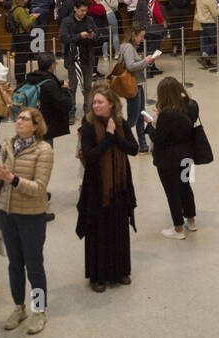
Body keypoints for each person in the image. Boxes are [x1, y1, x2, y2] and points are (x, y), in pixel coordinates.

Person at [0, 107, 52, 333]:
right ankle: (19, 307)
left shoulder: (44, 151)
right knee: (14, 264)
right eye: (18, 118)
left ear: (36, 126)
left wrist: (13, 179)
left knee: (34, 265)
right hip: (7, 213)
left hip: (31, 216)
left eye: (25, 119)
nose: (19, 121)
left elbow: (39, 188)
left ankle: (39, 310)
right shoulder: (8, 145)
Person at [77, 86, 137, 291]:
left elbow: (134, 149)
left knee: (119, 228)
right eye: (94, 103)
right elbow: (90, 156)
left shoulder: (121, 123)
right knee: (98, 231)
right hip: (97, 187)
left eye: (100, 102)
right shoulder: (88, 127)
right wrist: (108, 138)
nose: (96, 106)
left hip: (119, 185)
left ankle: (120, 271)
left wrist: (115, 136)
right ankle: (98, 276)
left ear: (111, 104)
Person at [143, 77, 199, 236]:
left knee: (172, 192)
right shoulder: (192, 106)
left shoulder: (167, 114)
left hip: (169, 161)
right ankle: (191, 221)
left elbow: (158, 138)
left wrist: (150, 123)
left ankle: (178, 228)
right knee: (186, 187)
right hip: (188, 156)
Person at [117, 24, 156, 153]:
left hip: (137, 84)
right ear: (134, 35)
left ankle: (142, 143)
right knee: (133, 118)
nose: (142, 39)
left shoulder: (128, 47)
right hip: (133, 85)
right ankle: (121, 141)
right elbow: (130, 66)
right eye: (141, 36)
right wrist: (145, 61)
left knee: (141, 114)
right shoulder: (128, 47)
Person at [22, 52, 71, 148]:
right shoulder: (50, 85)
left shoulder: (31, 79)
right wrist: (65, 90)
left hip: (31, 123)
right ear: (52, 65)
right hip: (45, 127)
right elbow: (65, 105)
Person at [60, 3, 98, 117]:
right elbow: (63, 38)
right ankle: (71, 110)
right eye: (81, 10)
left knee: (88, 86)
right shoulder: (67, 21)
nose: (84, 13)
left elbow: (98, 34)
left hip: (87, 56)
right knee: (72, 87)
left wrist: (93, 36)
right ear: (75, 9)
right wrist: (79, 36)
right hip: (72, 58)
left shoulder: (89, 19)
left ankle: (88, 109)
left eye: (85, 10)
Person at [195, 0, 219, 66]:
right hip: (210, 22)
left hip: (202, 22)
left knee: (206, 41)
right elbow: (215, 13)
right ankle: (205, 56)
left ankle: (207, 60)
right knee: (214, 41)